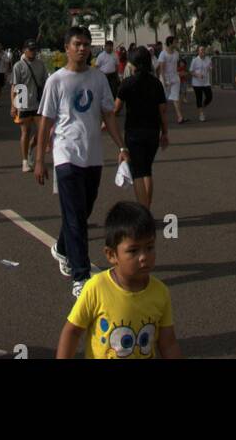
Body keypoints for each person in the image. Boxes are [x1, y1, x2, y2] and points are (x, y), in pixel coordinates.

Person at [35, 26, 130, 299]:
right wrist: (40, 159)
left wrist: (121, 146)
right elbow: (46, 122)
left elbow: (108, 115)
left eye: (86, 44)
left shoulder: (98, 78)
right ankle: (80, 275)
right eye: (77, 44)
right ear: (66, 47)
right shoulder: (56, 80)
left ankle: (63, 248)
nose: (82, 49)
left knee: (82, 211)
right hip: (66, 156)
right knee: (76, 216)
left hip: (92, 157)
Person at [56, 201, 182, 359]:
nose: (143, 257)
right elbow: (72, 331)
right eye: (133, 251)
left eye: (149, 247)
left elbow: (168, 343)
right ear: (111, 255)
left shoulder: (160, 292)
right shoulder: (97, 288)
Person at [113, 46, 168, 212]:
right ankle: (147, 207)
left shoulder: (127, 83)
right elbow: (163, 111)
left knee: (137, 172)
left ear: (132, 64)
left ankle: (143, 211)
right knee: (147, 170)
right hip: (152, 130)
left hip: (134, 131)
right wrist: (165, 132)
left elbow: (116, 109)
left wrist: (105, 122)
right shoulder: (156, 83)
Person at [11, 40, 48, 173]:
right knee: (25, 132)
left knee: (42, 132)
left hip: (38, 102)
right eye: (30, 49)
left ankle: (32, 150)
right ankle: (25, 161)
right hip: (23, 101)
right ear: (24, 50)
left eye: (34, 49)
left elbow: (45, 82)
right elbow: (14, 86)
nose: (33, 52)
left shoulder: (40, 64)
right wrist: (13, 105)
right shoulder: (18, 66)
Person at [156, 36, 186, 124]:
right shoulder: (163, 54)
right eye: (175, 42)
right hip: (165, 78)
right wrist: (164, 80)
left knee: (175, 98)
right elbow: (161, 68)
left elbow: (176, 66)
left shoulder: (176, 53)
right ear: (170, 43)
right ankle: (160, 116)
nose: (176, 43)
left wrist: (180, 73)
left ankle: (180, 117)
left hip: (175, 78)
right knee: (163, 99)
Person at [189, 46, 213, 121]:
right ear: (198, 52)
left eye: (204, 50)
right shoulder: (195, 60)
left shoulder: (208, 59)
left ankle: (202, 106)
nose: (203, 51)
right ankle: (201, 114)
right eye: (201, 50)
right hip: (197, 83)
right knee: (199, 98)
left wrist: (211, 67)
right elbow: (191, 71)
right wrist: (198, 75)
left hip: (206, 82)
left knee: (209, 97)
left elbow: (211, 67)